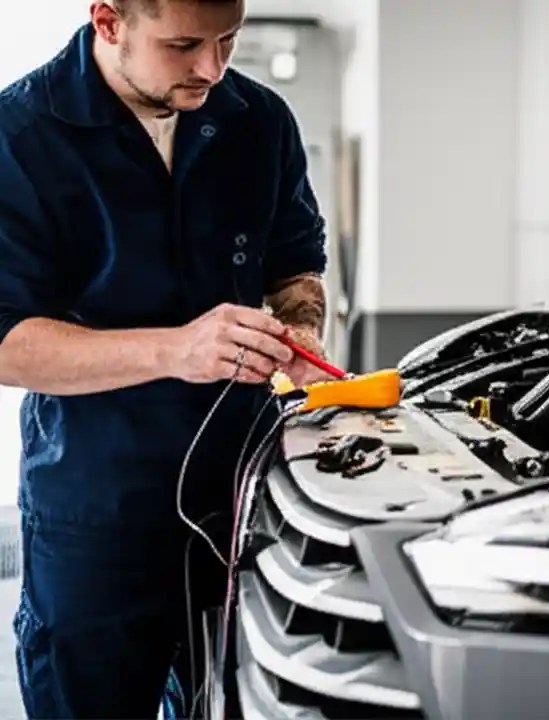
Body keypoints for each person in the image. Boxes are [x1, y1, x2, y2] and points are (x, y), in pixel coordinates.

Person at [0, 0, 333, 716]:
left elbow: (297, 268)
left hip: (245, 490)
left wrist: (301, 330)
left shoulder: (260, 121)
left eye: (228, 40)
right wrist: (179, 349)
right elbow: (6, 344)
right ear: (109, 20)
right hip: (96, 503)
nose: (213, 68)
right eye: (184, 44)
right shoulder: (18, 134)